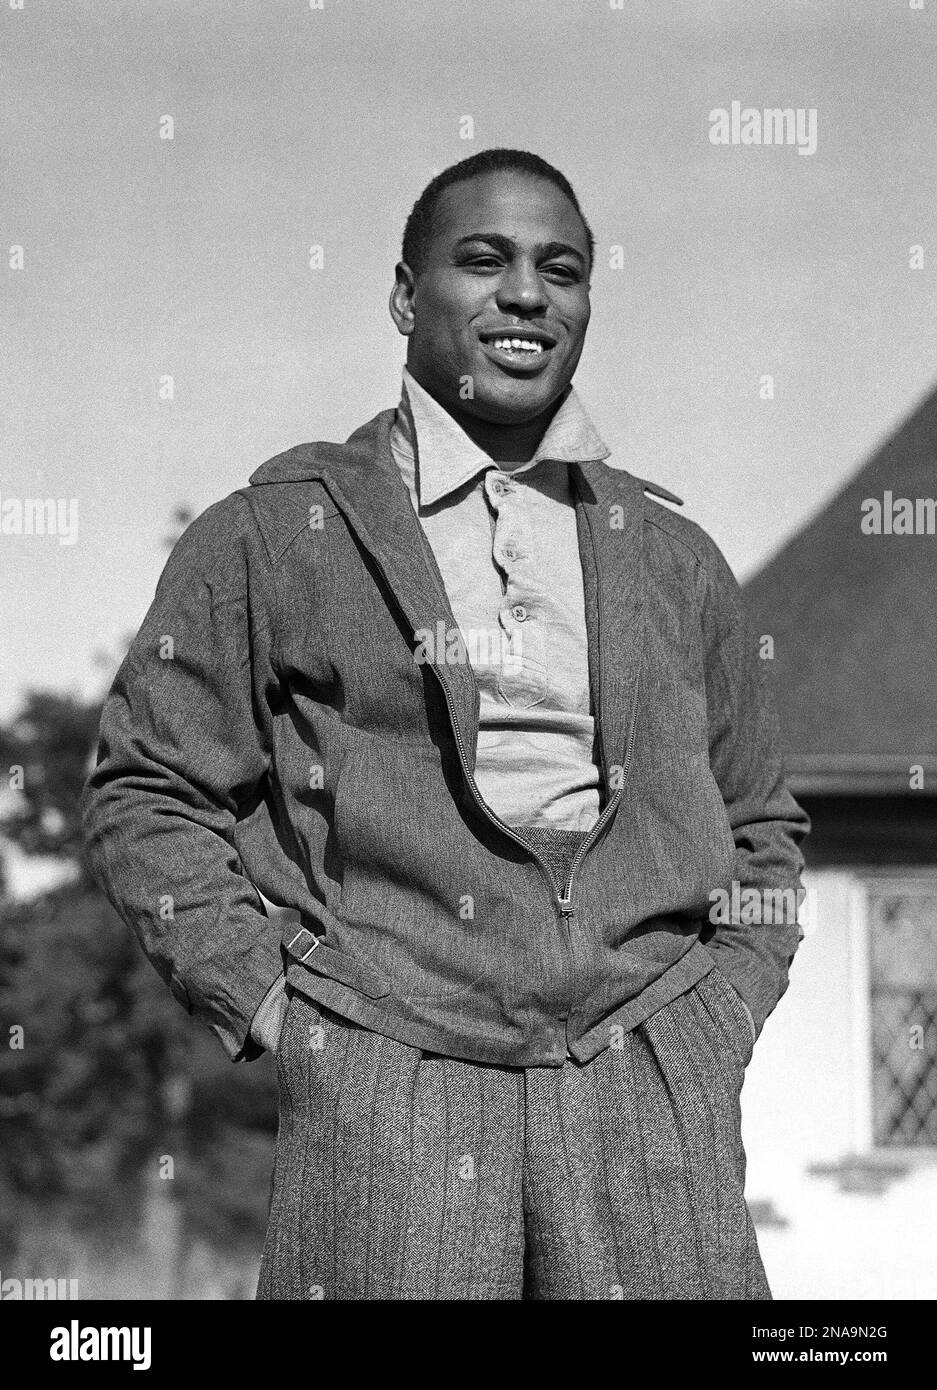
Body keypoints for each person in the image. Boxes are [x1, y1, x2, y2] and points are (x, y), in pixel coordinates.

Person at [81, 148, 810, 1301]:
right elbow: (146, 791)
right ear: (404, 296)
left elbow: (760, 819)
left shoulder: (675, 557)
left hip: (649, 1067)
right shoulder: (278, 532)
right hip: (393, 1078)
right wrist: (286, 1009)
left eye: (559, 269)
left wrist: (718, 1013)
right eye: (484, 260)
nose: (527, 292)